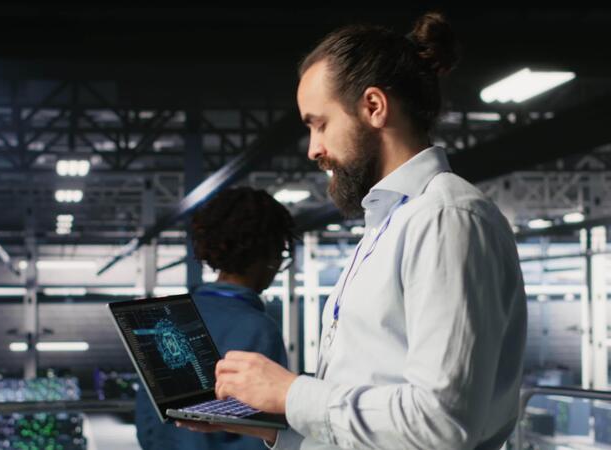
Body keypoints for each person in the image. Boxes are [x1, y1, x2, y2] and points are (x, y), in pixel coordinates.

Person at [177, 12, 527, 450]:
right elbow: (369, 422)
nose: (313, 149)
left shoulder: (445, 218)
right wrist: (274, 425)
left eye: (320, 124)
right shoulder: (388, 225)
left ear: (374, 107)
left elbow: (441, 422)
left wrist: (291, 393)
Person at [135, 186, 297, 450]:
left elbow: (148, 420)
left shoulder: (168, 317)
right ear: (268, 255)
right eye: (280, 255)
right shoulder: (259, 329)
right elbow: (261, 436)